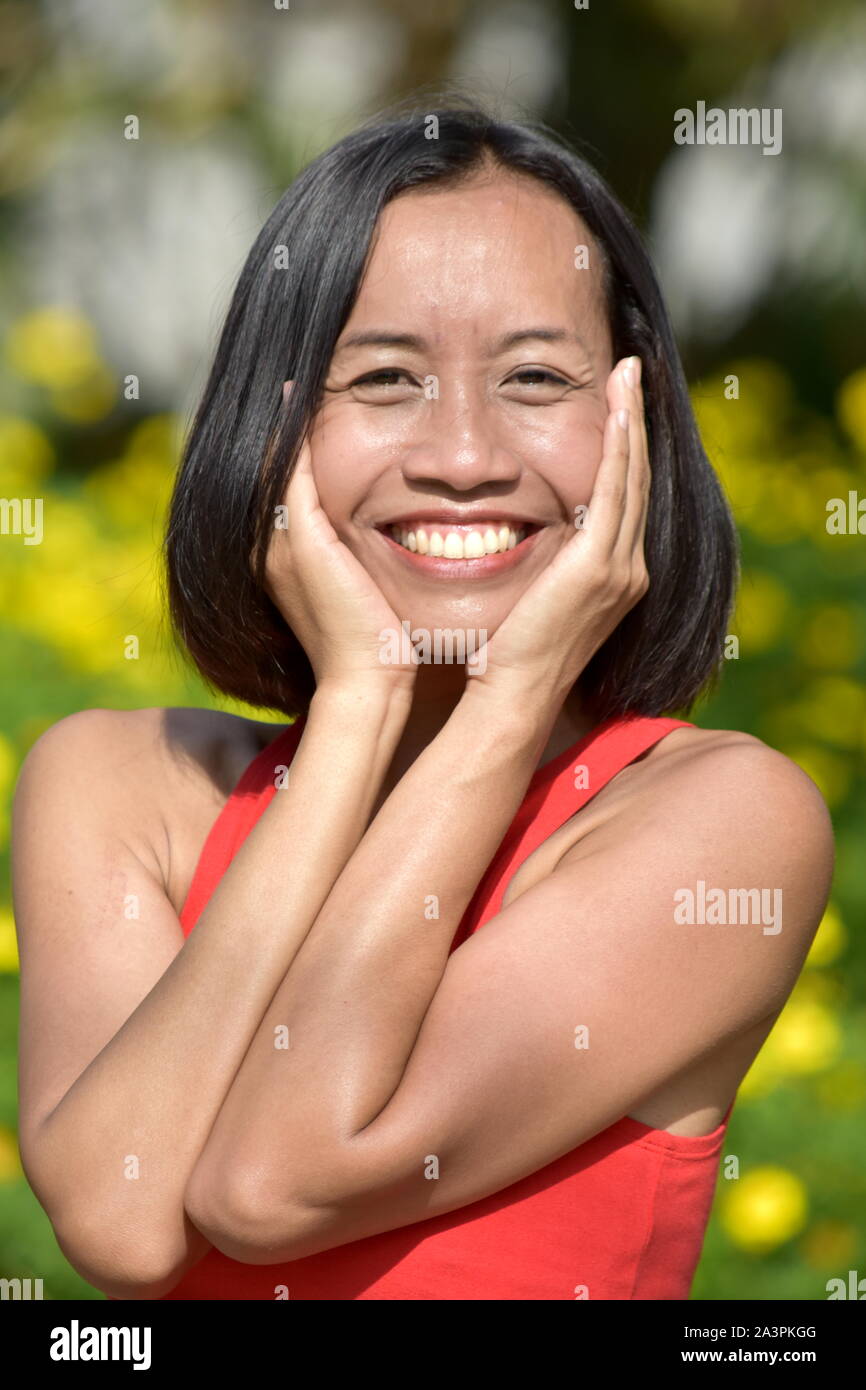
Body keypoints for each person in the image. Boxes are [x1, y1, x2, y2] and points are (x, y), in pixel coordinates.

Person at [12, 101, 833, 1301]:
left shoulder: (721, 820)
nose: (462, 453)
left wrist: (507, 706)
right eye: (386, 376)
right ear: (274, 420)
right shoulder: (123, 787)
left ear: (634, 427)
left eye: (534, 376)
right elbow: (126, 1218)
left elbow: (271, 1184)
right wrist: (357, 705)